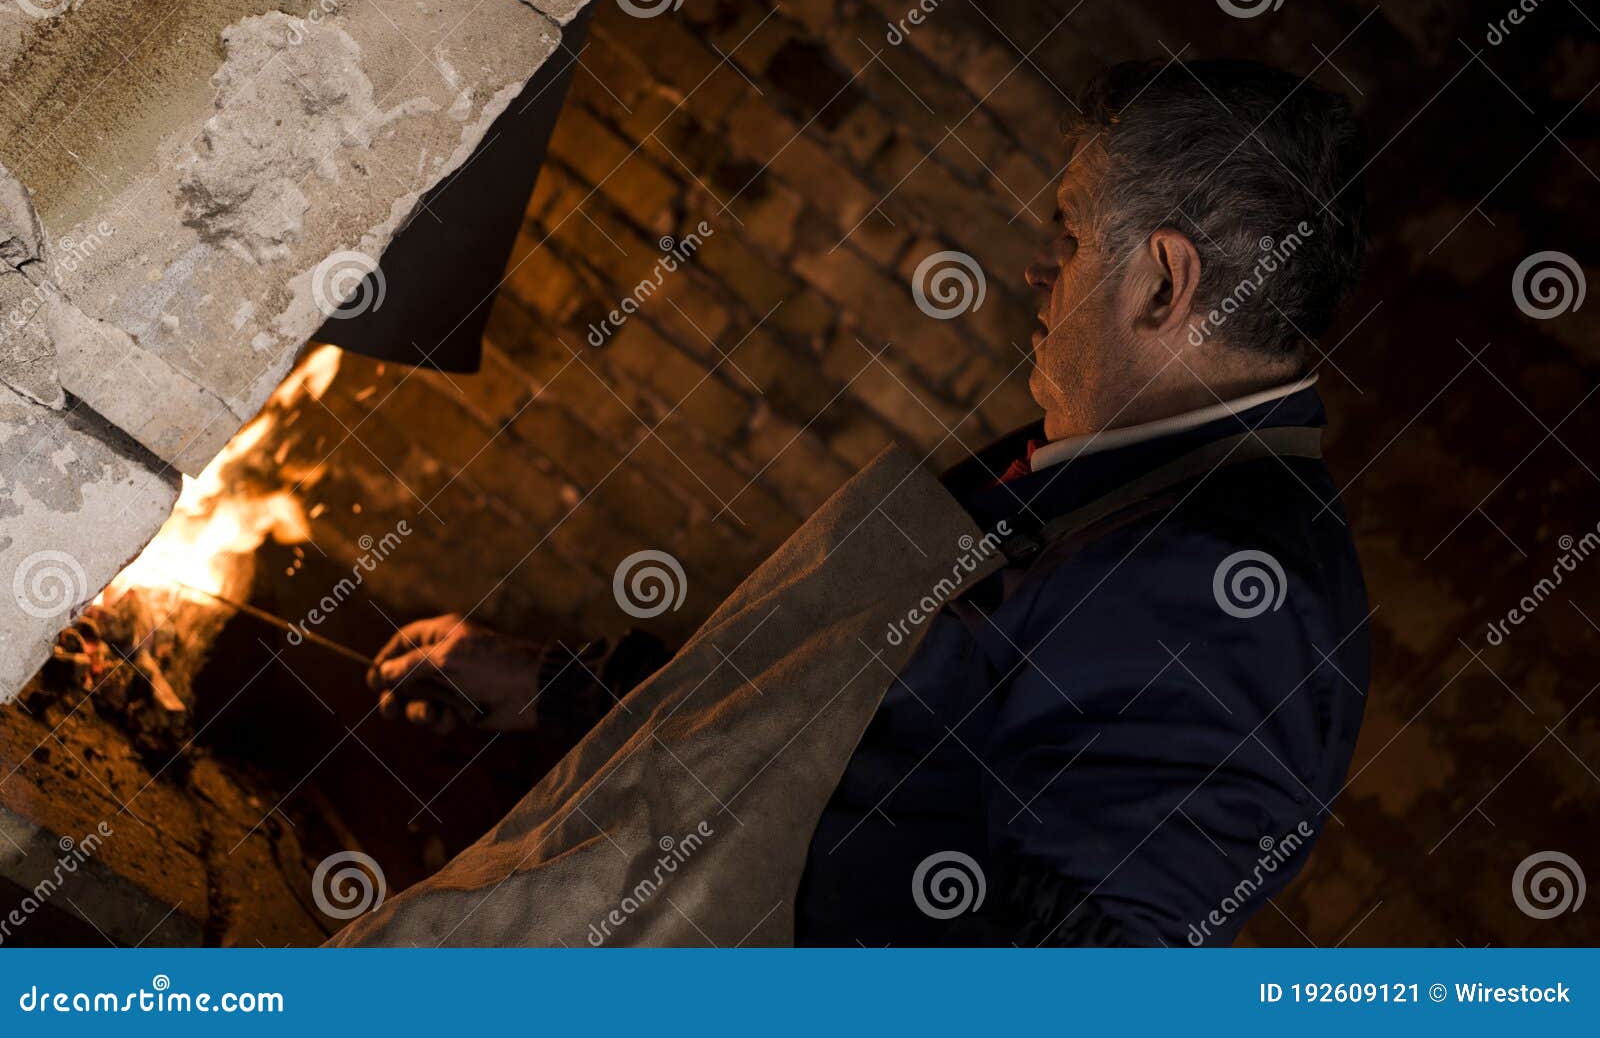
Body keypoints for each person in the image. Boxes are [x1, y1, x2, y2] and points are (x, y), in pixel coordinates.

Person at [365, 59, 1371, 946]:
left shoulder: (1233, 594)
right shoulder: (1105, 471)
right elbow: (841, 712)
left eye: (1067, 235)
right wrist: (558, 684)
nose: (1037, 271)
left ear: (1161, 282)